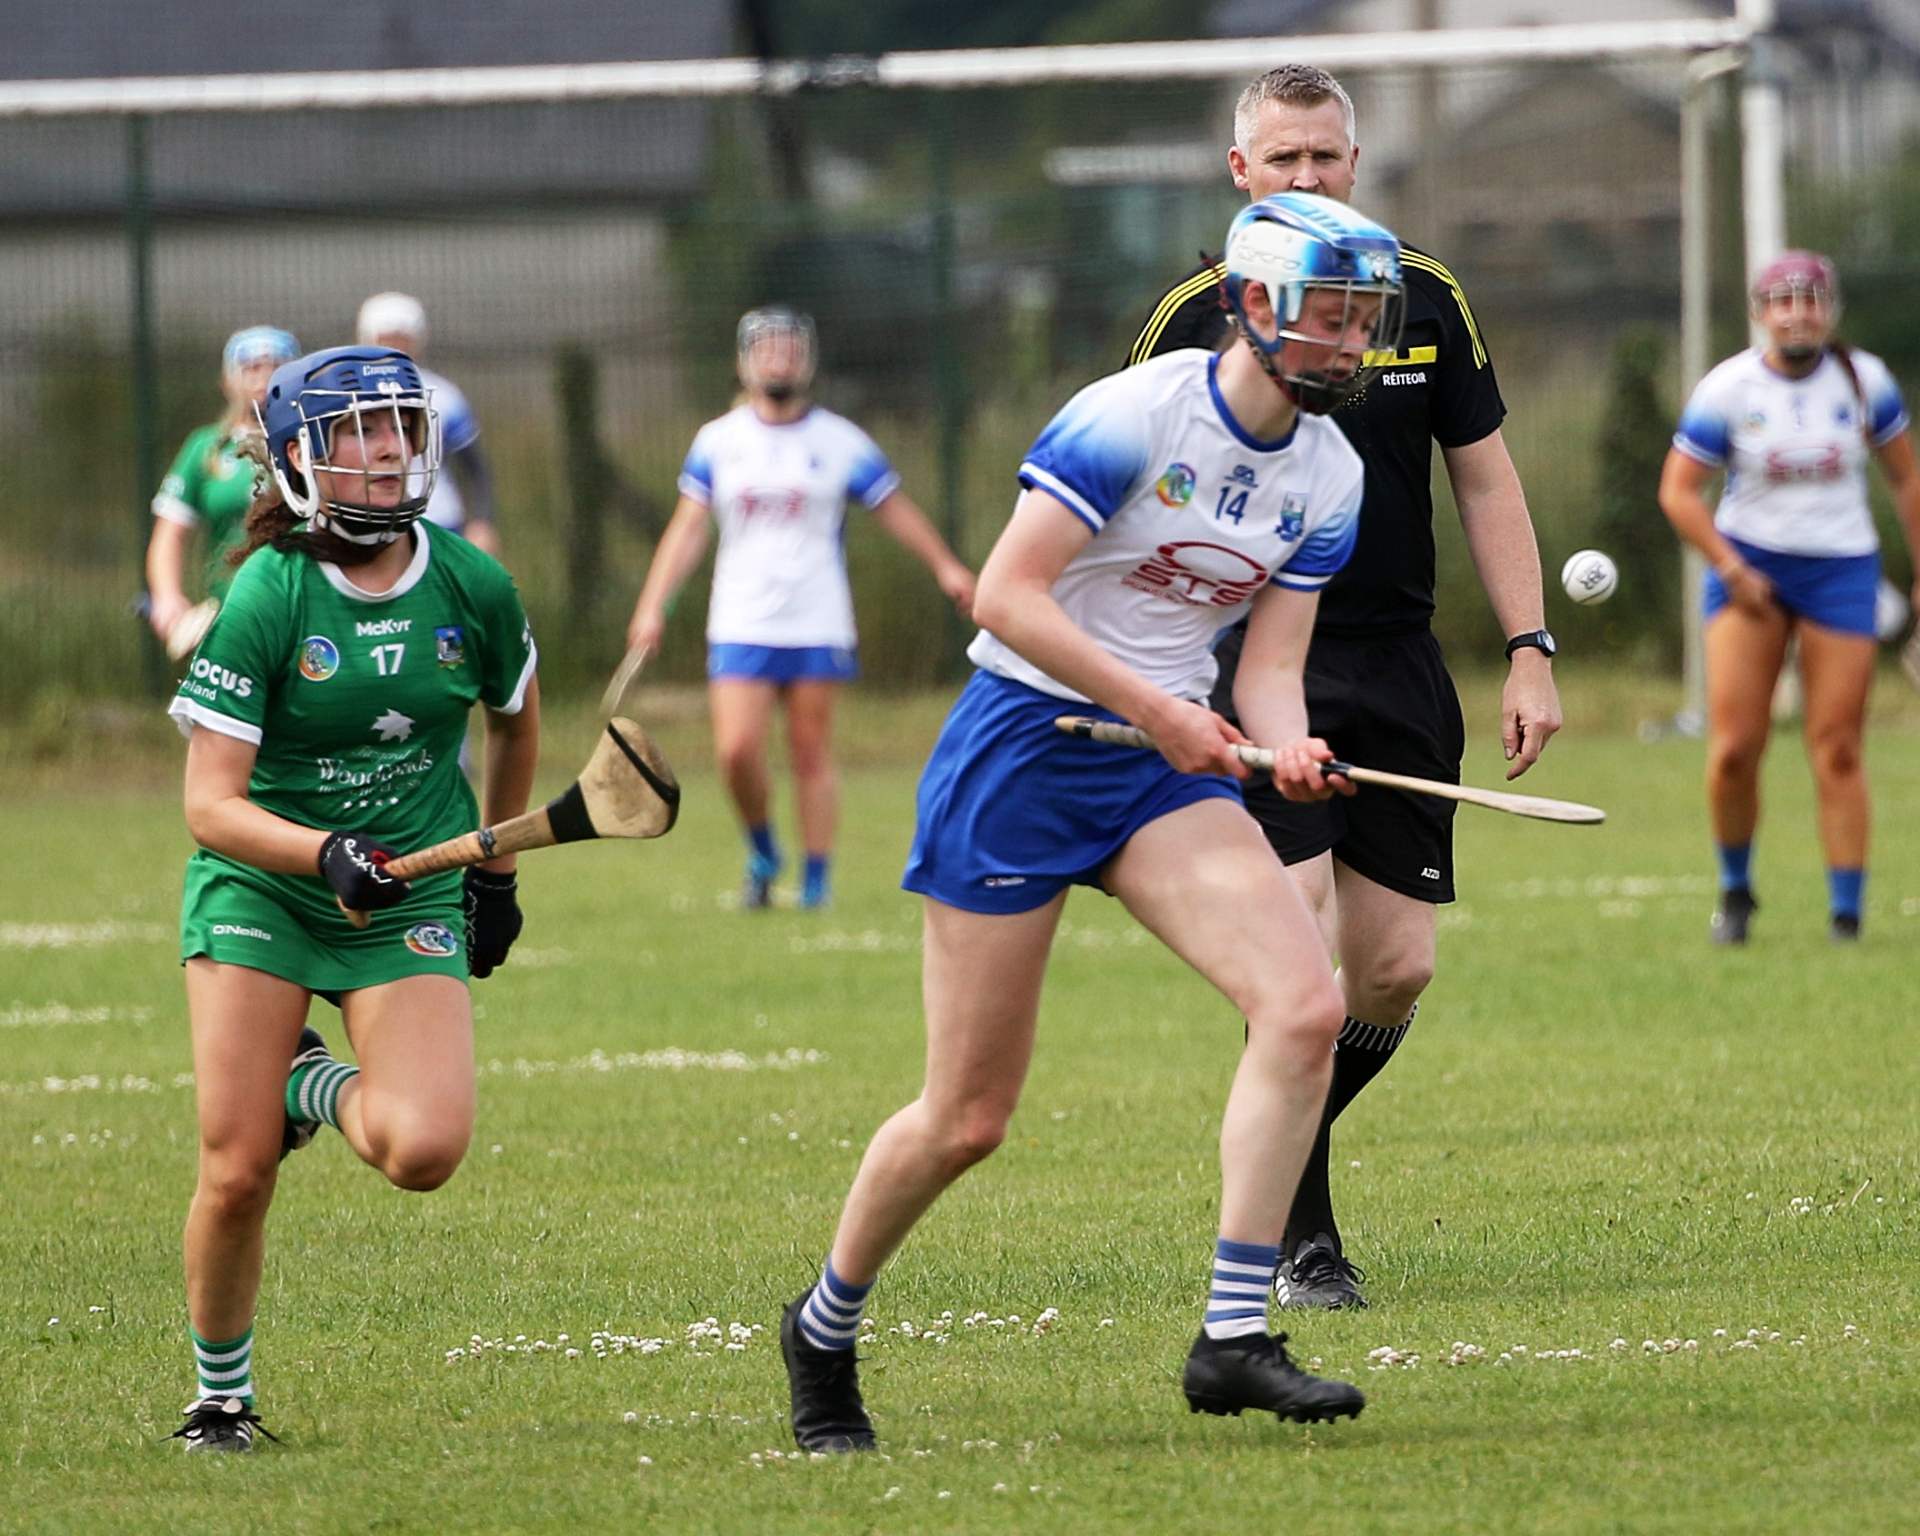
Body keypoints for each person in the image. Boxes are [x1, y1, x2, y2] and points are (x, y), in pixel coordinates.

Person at [779, 194, 1403, 1453]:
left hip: (1161, 767)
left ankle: (1232, 1338)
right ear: (1256, 305)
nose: (1350, 345)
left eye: (1364, 322)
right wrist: (1164, 712)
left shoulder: (1330, 476)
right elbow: (1008, 594)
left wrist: (1279, 743)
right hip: (1022, 744)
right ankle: (824, 1325)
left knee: (1305, 1008)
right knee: (967, 1119)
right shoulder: (1139, 416)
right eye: (1331, 317)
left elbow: (1270, 664)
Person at [1127, 64, 1562, 1310]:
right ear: (1239, 175)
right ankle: (1298, 1241)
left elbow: (1485, 482)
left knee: (1394, 969)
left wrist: (1530, 646)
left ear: (1355, 166)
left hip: (1399, 662)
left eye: (1325, 157)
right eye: (1283, 160)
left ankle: (1280, 1118)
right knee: (1304, 951)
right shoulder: (1193, 316)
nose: (1307, 178)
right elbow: (1117, 499)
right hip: (1253, 669)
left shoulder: (1425, 296)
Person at [164, 346, 541, 1451]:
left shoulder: (474, 584)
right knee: (234, 1169)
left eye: (399, 430)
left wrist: (496, 873)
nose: (385, 453)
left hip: (408, 886)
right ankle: (220, 1398)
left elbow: (514, 722)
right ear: (295, 460)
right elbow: (210, 807)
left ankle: (309, 1084)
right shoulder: (266, 597)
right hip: (266, 884)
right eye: (355, 434)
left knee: (424, 1149)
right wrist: (323, 850)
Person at [624, 306, 975, 910]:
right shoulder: (720, 440)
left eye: (790, 348)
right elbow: (687, 530)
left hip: (816, 615)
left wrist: (947, 568)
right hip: (741, 617)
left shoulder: (838, 440)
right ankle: (764, 851)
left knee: (811, 750)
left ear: (807, 360)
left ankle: (816, 881)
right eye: (767, 348)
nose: (779, 358)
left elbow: (894, 508)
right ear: (745, 361)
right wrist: (652, 604)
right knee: (736, 751)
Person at [1659, 251, 1920, 944]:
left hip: (1841, 569)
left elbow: (1906, 480)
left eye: (1811, 300)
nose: (1797, 312)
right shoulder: (1730, 389)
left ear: (1829, 311)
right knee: (1737, 748)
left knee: (1836, 746)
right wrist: (1731, 567)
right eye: (1783, 300)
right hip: (1753, 570)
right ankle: (1737, 893)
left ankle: (1846, 915)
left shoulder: (1865, 382)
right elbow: (1679, 492)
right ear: (1760, 312)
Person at [145, 326, 302, 644]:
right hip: (231, 610)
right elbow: (170, 534)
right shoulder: (206, 447)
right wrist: (167, 597)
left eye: (276, 366)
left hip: (304, 607)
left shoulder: (313, 440)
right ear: (228, 382)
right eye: (252, 367)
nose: (264, 377)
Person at [356, 292, 501, 557]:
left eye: (402, 339)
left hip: (440, 521)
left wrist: (482, 522)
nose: (394, 348)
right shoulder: (346, 396)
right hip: (371, 522)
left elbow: (475, 468)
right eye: (385, 338)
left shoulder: (443, 395)